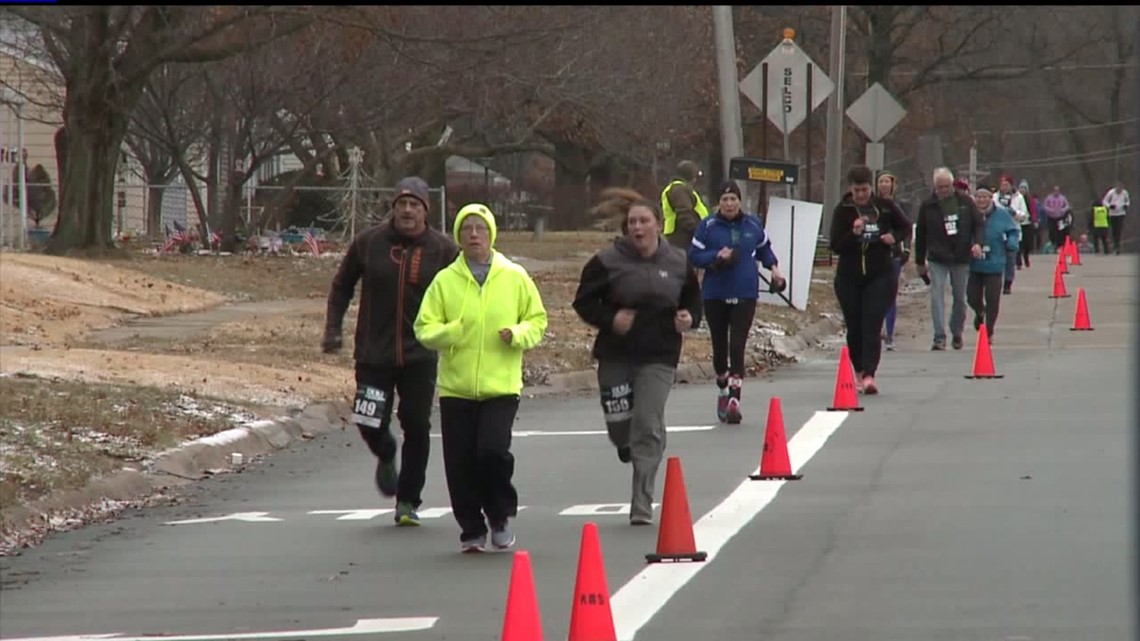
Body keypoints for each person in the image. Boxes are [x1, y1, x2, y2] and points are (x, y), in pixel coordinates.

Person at [323, 176, 459, 527]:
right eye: (402, 204)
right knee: (368, 419)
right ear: (393, 208)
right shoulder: (369, 243)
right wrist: (333, 329)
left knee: (417, 424)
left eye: (415, 205)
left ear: (426, 211)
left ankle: (408, 500)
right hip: (373, 352)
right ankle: (385, 452)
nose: (408, 211)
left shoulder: (443, 250)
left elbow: (463, 294)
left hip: (420, 354)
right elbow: (342, 286)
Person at [413, 203, 547, 553]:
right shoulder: (445, 281)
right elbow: (424, 328)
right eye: (467, 228)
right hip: (456, 389)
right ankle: (471, 528)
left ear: (491, 234)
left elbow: (537, 320)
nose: (474, 234)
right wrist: (451, 332)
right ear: (458, 236)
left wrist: (517, 334)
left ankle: (499, 515)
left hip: (500, 385)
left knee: (492, 452)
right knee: (460, 462)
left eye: (481, 228)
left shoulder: (514, 276)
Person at [573, 187, 702, 526]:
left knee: (648, 423)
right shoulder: (606, 262)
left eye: (644, 221)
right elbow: (583, 302)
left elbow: (692, 300)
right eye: (632, 222)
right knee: (621, 429)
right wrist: (610, 319)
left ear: (659, 224)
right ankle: (625, 442)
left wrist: (689, 318)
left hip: (660, 353)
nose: (638, 228)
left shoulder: (678, 262)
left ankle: (641, 504)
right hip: (616, 353)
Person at [688, 180, 784, 424]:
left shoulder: (752, 224)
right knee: (720, 347)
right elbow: (694, 256)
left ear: (740, 202)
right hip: (715, 293)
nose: (729, 204)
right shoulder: (708, 226)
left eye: (733, 199)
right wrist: (715, 256)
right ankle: (722, 383)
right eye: (724, 200)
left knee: (737, 345)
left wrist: (774, 269)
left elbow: (765, 250)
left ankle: (735, 398)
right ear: (718, 203)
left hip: (745, 292)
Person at [828, 165, 912, 394]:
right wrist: (852, 234)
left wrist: (892, 238)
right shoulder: (843, 210)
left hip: (880, 274)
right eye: (857, 191)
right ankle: (857, 370)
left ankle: (869, 374)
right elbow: (835, 245)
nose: (862, 195)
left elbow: (905, 226)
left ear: (870, 187)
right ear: (850, 189)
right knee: (855, 326)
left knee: (872, 324)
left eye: (865, 189)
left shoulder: (884, 207)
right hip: (849, 277)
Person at [913, 167, 985, 351]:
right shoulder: (928, 205)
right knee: (936, 296)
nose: (943, 190)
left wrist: (977, 243)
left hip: (961, 256)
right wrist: (920, 261)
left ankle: (957, 332)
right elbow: (921, 234)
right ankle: (939, 336)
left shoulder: (965, 202)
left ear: (952, 185)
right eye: (940, 187)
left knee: (960, 298)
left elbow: (979, 224)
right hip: (938, 257)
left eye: (946, 186)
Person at [967, 185, 1020, 342]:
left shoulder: (1001, 214)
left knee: (993, 299)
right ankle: (979, 312)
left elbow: (1013, 230)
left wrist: (1011, 243)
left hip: (995, 262)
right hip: (974, 264)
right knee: (972, 297)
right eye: (978, 197)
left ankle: (988, 331)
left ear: (991, 199)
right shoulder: (969, 215)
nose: (982, 200)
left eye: (985, 197)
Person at [875, 170, 912, 351]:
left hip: (893, 255)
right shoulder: (871, 204)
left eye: (887, 182)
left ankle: (889, 334)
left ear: (893, 185)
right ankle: (875, 331)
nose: (883, 185)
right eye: (880, 181)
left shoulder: (900, 205)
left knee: (890, 295)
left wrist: (905, 248)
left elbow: (906, 228)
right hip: (874, 254)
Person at [660, 160, 711, 250]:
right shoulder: (679, 189)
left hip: (681, 237)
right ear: (691, 177)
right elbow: (685, 215)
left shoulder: (677, 188)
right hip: (682, 239)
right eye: (695, 176)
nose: (696, 180)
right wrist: (699, 232)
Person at [994, 175, 1027, 294]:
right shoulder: (995, 197)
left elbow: (1024, 216)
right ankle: (996, 282)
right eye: (1002, 184)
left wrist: (1014, 212)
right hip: (998, 232)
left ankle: (1008, 283)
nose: (1003, 187)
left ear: (1011, 185)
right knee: (997, 259)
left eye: (1006, 185)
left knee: (1010, 259)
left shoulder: (1018, 198)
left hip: (1013, 231)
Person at [1102, 182, 1130, 254]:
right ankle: (1115, 245)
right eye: (1118, 190)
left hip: (1121, 213)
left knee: (1119, 230)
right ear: (1116, 188)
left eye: (1120, 190)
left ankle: (1117, 247)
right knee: (1114, 230)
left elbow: (1127, 201)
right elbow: (1104, 201)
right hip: (1113, 214)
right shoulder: (1111, 193)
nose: (1119, 191)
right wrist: (1109, 206)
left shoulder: (1125, 193)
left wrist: (1126, 205)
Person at [1015, 179, 1038, 267]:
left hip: (1027, 223)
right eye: (1021, 188)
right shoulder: (1016, 198)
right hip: (1018, 223)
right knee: (1019, 243)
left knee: (1027, 243)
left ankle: (1026, 257)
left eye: (1024, 188)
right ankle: (1018, 262)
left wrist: (1034, 220)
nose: (1022, 190)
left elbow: (1033, 211)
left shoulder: (1030, 199)